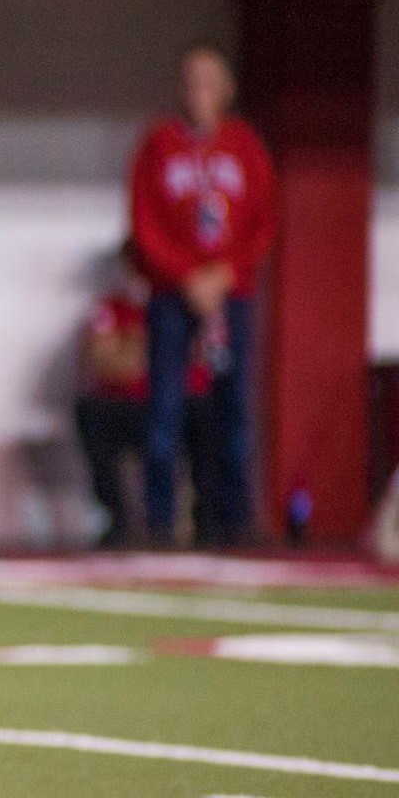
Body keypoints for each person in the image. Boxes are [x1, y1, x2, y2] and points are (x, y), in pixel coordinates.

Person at [127, 45, 275, 548]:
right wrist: (186, 275)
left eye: (210, 81)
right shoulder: (159, 144)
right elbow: (143, 222)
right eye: (191, 81)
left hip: (230, 295)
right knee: (164, 404)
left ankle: (235, 520)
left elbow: (263, 223)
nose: (199, 92)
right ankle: (161, 523)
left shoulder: (245, 146)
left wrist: (225, 274)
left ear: (228, 89)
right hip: (174, 293)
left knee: (234, 406)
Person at [75, 249, 214, 549]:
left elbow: (202, 365)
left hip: (180, 407)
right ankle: (123, 520)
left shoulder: (181, 308)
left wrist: (133, 346)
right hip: (127, 409)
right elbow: (104, 363)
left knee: (210, 414)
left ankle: (208, 520)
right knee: (89, 413)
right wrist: (158, 350)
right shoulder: (112, 307)